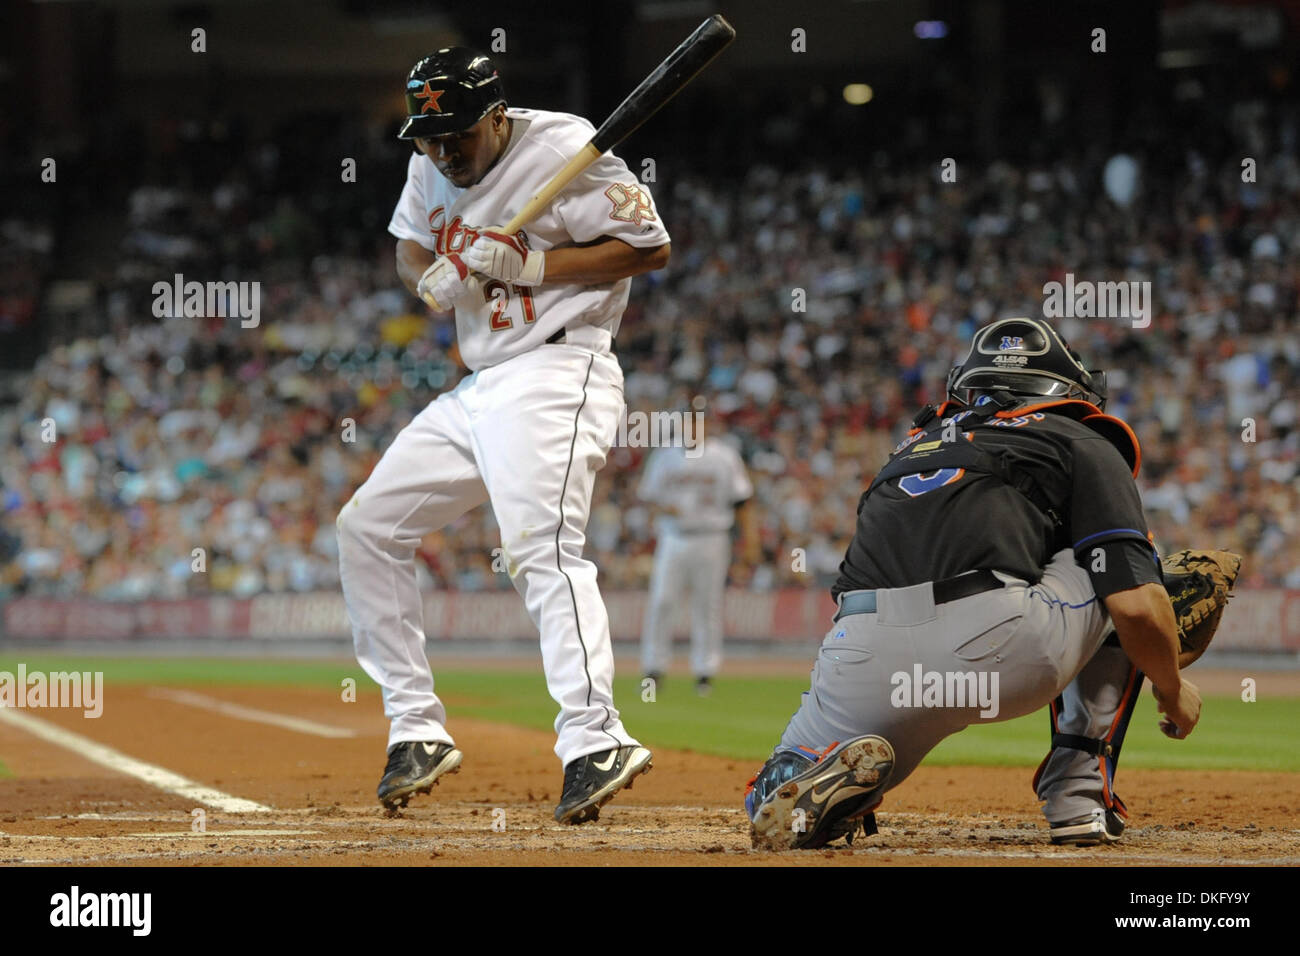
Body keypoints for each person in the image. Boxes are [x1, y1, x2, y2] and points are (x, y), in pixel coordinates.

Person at [337, 48, 670, 824]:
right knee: (367, 526)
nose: (445, 150)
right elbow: (407, 244)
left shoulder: (564, 146)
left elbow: (652, 247)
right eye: (429, 136)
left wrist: (535, 265)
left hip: (557, 370)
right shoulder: (431, 164)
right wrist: (427, 276)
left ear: (496, 116)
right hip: (480, 383)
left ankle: (597, 737)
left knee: (540, 546)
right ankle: (415, 728)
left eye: (457, 133)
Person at [744, 317, 1203, 850]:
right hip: (996, 653)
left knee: (779, 784)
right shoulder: (1078, 437)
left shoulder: (908, 448)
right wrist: (1172, 690)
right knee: (1126, 559)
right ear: (1070, 392)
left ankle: (813, 790)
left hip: (859, 652)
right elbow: (1138, 608)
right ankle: (1078, 796)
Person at [636, 407, 754, 695]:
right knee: (662, 601)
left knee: (707, 605)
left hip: (712, 536)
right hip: (674, 536)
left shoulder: (724, 456)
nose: (692, 428)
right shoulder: (665, 456)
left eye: (697, 422)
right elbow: (647, 497)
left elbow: (742, 500)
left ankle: (705, 671)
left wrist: (750, 540)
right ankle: (654, 667)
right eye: (687, 422)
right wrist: (665, 509)